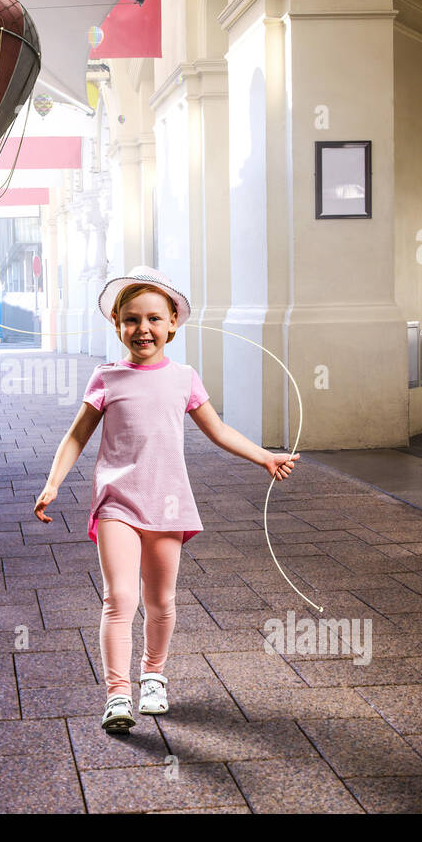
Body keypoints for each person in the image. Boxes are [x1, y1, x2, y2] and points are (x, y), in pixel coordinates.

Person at [33, 267, 299, 735]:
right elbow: (76, 436)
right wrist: (53, 482)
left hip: (168, 503)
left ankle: (153, 674)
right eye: (132, 319)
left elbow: (217, 431)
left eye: (154, 319)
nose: (143, 329)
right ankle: (117, 694)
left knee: (161, 600)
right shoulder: (106, 378)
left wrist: (263, 457)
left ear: (173, 323)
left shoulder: (184, 379)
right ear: (117, 323)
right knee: (120, 598)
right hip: (116, 501)